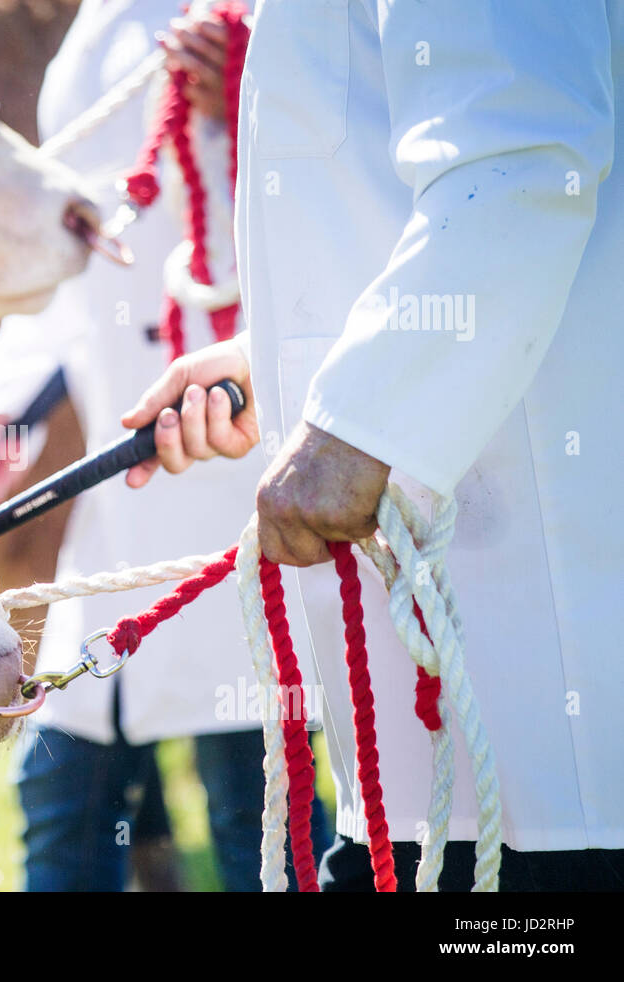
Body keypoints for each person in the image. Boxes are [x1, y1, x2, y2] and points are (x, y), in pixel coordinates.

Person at [136, 0, 624, 889]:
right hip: (419, 756)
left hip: (549, 756)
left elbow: (521, 164)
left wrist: (354, 428)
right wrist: (277, 365)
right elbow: (395, 205)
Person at [0, 0, 328, 892]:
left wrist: (257, 108)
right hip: (121, 524)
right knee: (61, 809)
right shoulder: (94, 40)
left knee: (264, 827)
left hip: (240, 501)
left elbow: (345, 241)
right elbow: (69, 301)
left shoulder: (294, 19)